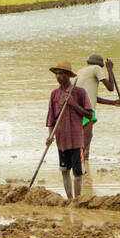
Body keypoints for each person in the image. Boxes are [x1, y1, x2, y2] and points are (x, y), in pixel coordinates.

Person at [46, 60, 93, 202]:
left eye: (61, 74)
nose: (58, 76)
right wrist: (50, 136)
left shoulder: (79, 93)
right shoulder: (54, 94)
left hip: (76, 139)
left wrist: (73, 104)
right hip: (61, 139)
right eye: (56, 74)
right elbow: (51, 118)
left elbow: (89, 115)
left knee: (77, 172)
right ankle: (69, 199)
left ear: (67, 75)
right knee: (64, 170)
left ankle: (77, 200)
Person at [76, 52, 120, 169]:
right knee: (87, 137)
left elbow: (92, 97)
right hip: (87, 109)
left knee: (83, 138)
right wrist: (110, 69)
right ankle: (80, 164)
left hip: (76, 108)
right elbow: (110, 87)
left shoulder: (81, 71)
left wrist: (113, 103)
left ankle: (85, 165)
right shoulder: (97, 68)